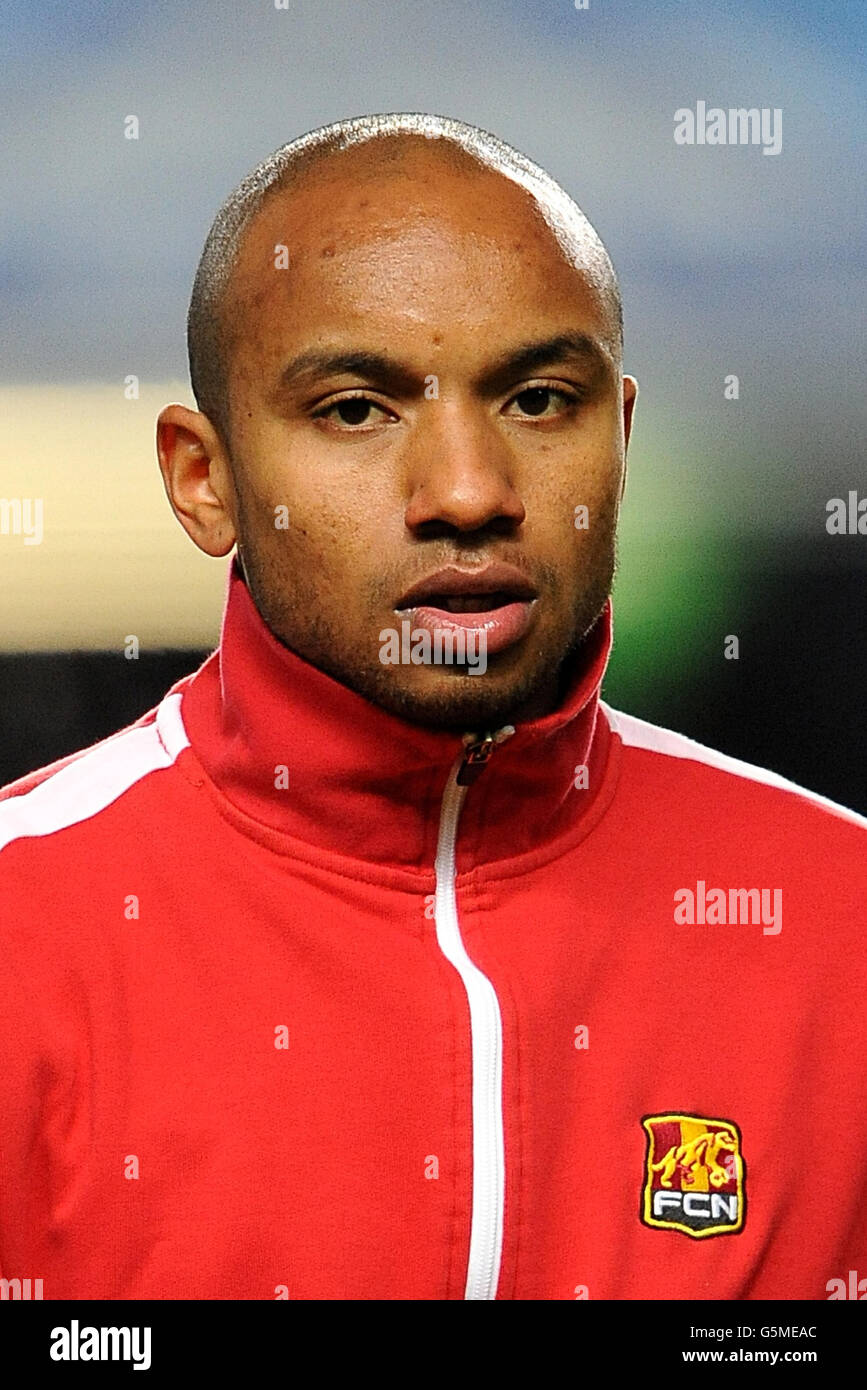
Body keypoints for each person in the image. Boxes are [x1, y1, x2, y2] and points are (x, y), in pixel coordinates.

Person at [1, 113, 864, 1302]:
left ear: (619, 437)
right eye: (358, 409)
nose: (468, 492)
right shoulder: (22, 932)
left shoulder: (838, 917)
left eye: (539, 399)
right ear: (206, 484)